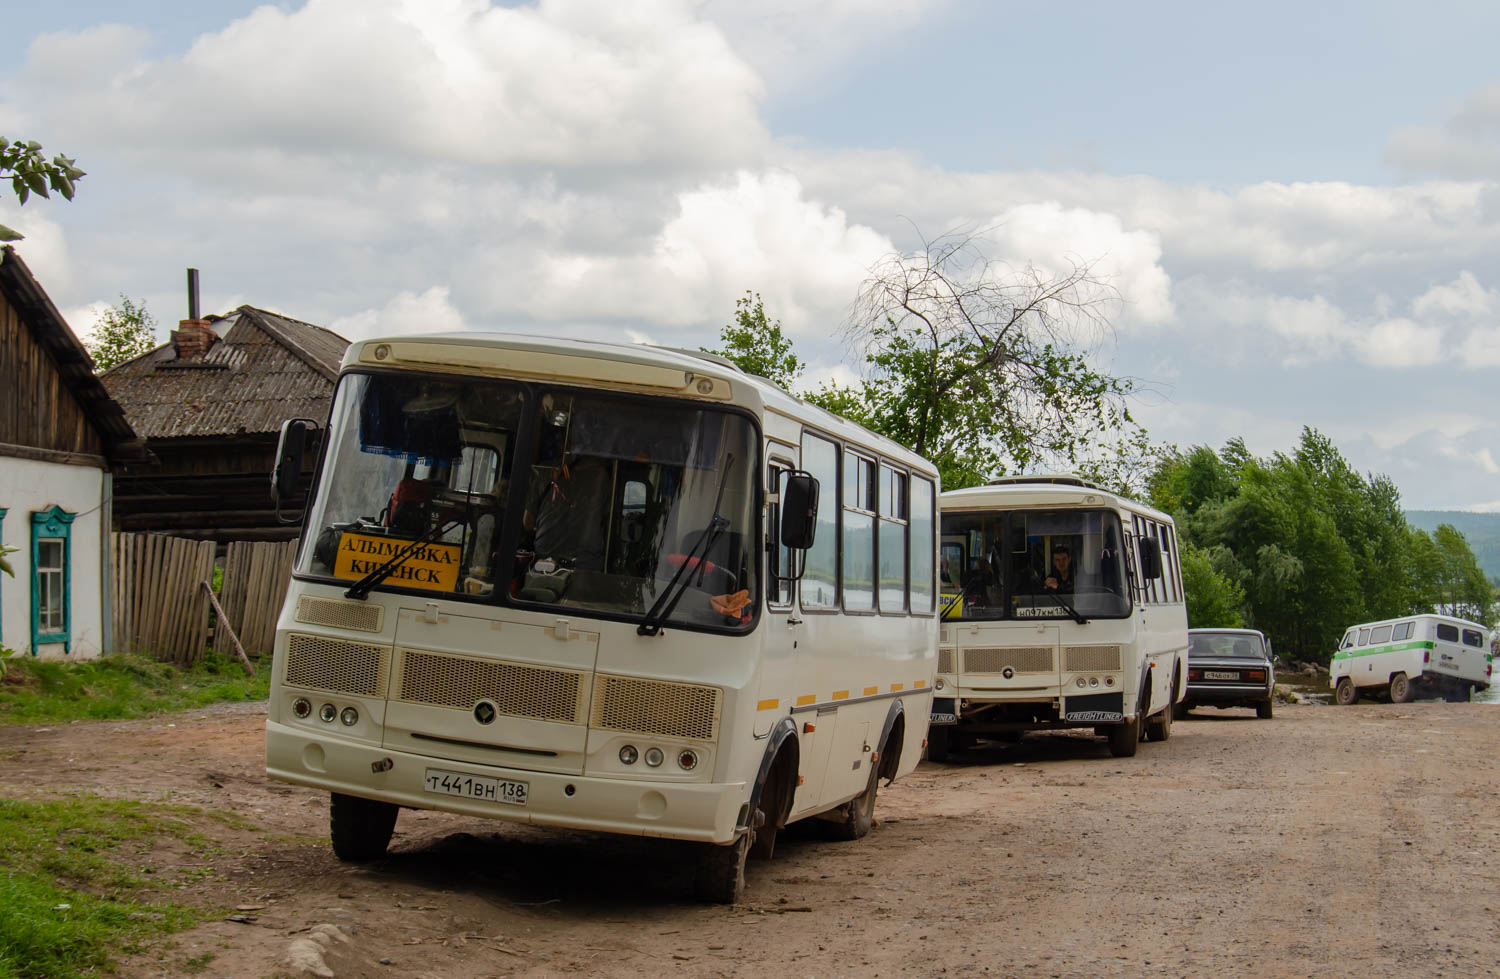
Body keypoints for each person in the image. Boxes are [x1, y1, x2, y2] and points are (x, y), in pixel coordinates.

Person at [530, 454, 610, 571]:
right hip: (584, 563)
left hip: (544, 560)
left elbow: (527, 521)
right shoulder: (601, 476)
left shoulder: (546, 471)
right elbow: (607, 520)